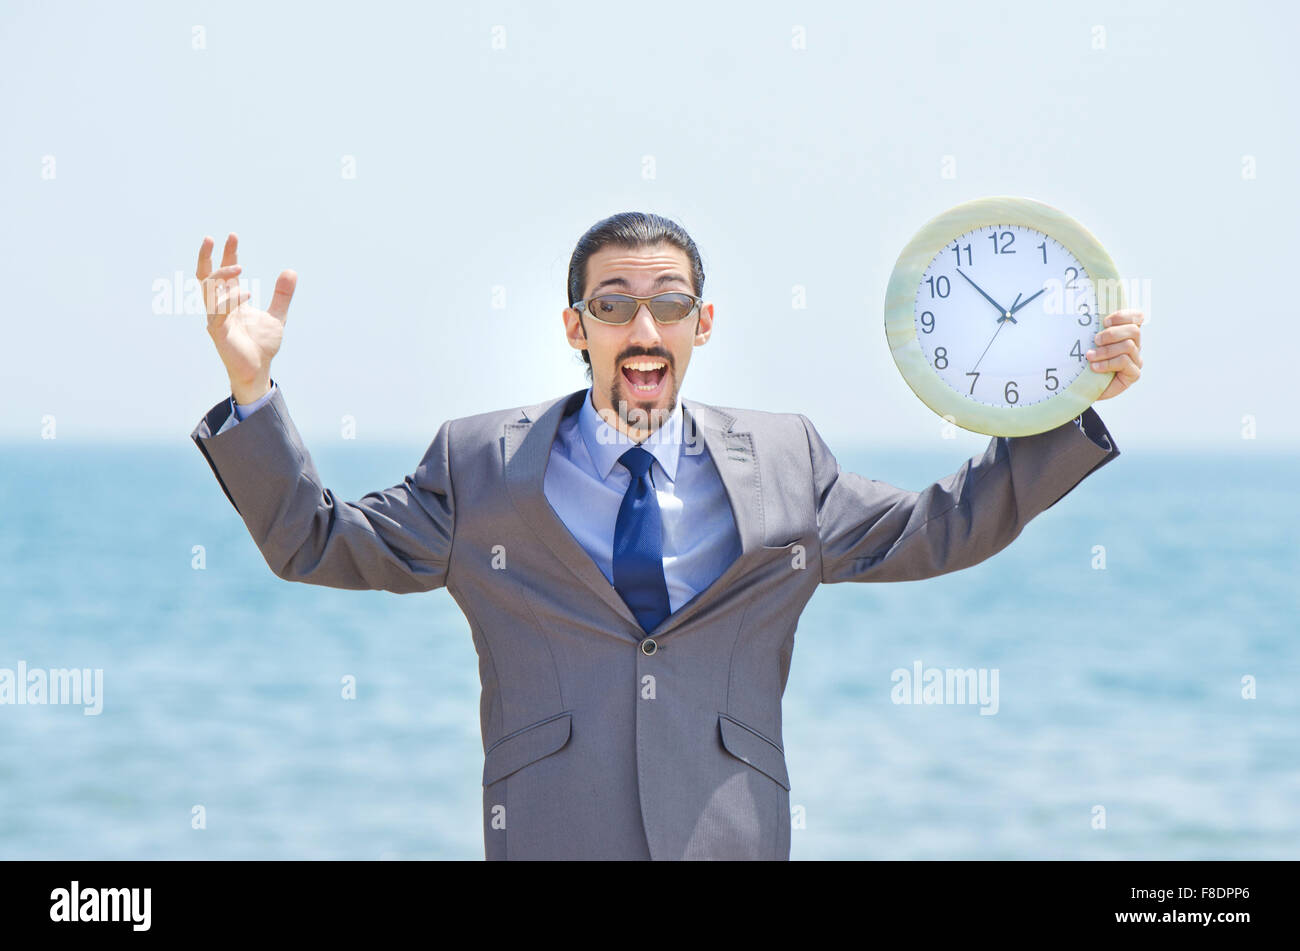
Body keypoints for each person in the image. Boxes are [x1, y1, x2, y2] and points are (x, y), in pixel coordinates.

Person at [190, 212, 1144, 860]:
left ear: (702, 323)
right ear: (577, 325)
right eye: (613, 304)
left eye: (669, 302)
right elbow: (313, 542)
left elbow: (942, 526)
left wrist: (1071, 405)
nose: (643, 325)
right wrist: (252, 392)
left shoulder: (785, 457)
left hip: (729, 831)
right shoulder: (478, 463)